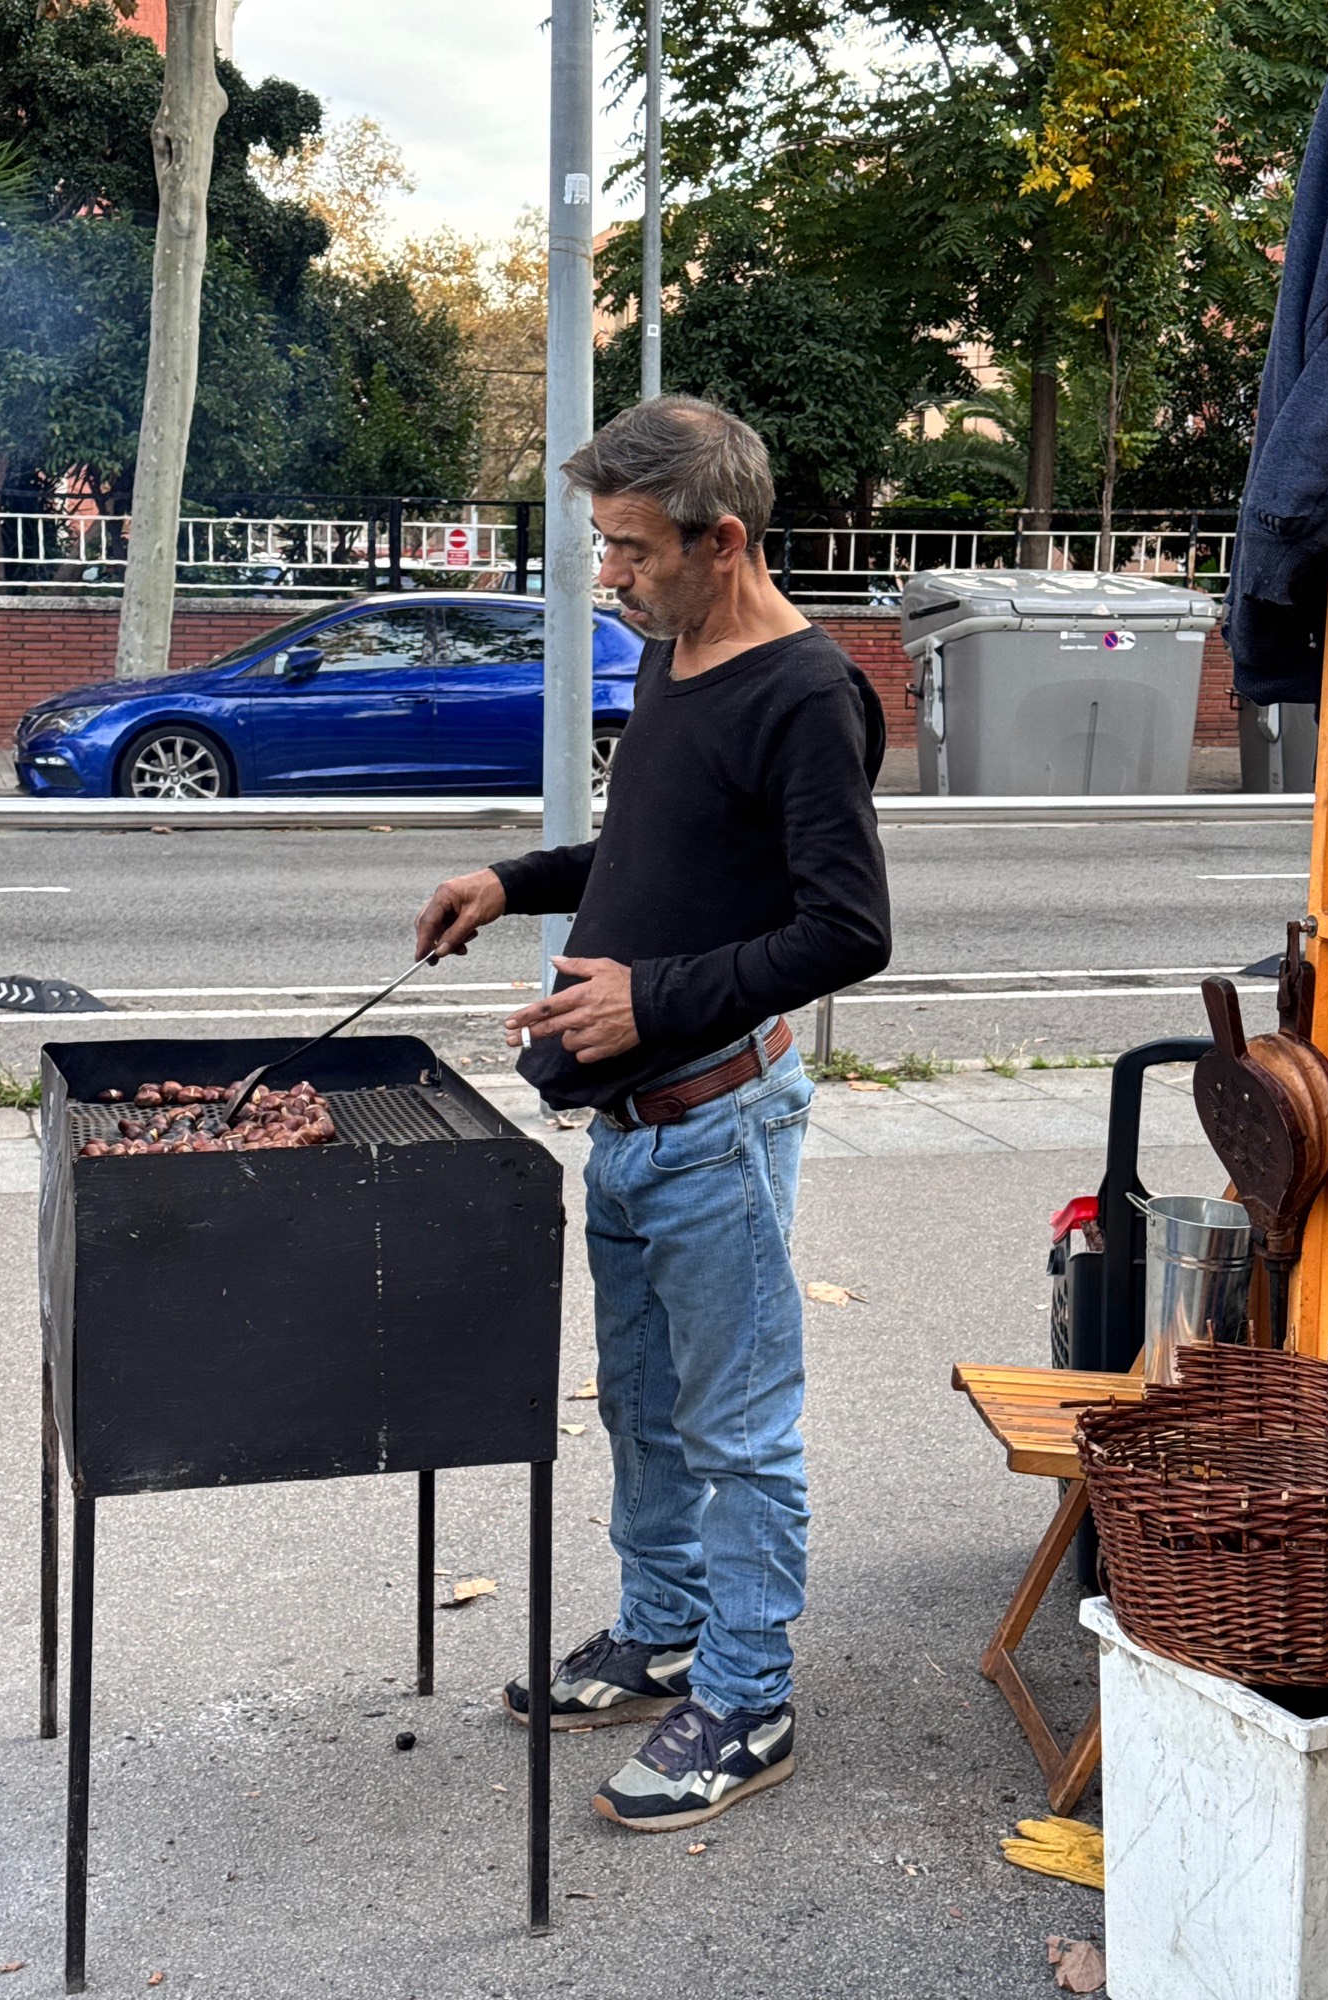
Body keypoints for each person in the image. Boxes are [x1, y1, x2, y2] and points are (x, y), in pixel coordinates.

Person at [416, 395, 890, 1832]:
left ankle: (748, 1697)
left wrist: (652, 1002)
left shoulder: (809, 694)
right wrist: (515, 878)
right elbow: (653, 844)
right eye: (602, 546)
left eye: (629, 549)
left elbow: (847, 930)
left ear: (719, 539)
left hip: (720, 1123)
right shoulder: (679, 656)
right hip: (633, 1129)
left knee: (740, 1429)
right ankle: (668, 1627)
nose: (606, 577)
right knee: (641, 1406)